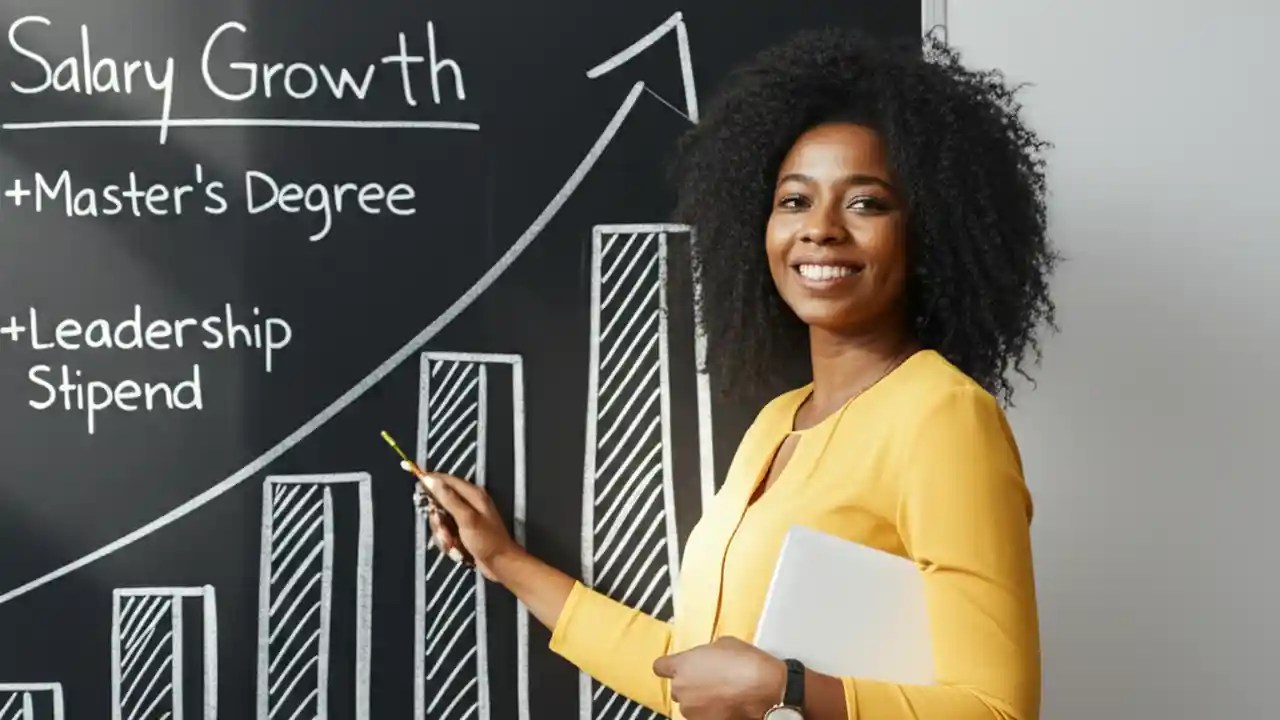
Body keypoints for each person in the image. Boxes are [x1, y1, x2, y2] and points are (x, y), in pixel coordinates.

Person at [413, 27, 1057, 720]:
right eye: (794, 200)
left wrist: (788, 688)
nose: (821, 228)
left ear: (930, 231)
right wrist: (504, 559)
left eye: (866, 202)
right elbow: (690, 679)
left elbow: (998, 710)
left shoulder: (943, 416)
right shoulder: (777, 424)